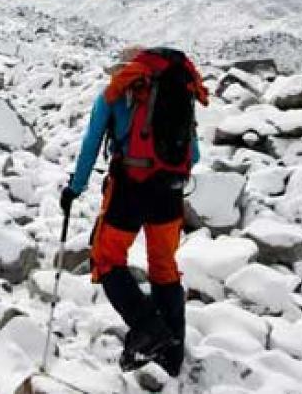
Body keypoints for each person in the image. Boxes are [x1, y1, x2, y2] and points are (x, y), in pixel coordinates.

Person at [59, 46, 208, 376]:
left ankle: (147, 328)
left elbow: (91, 145)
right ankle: (172, 355)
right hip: (169, 193)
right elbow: (194, 155)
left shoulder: (114, 94)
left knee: (106, 258)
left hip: (129, 189)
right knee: (164, 268)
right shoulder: (177, 92)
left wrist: (75, 188)